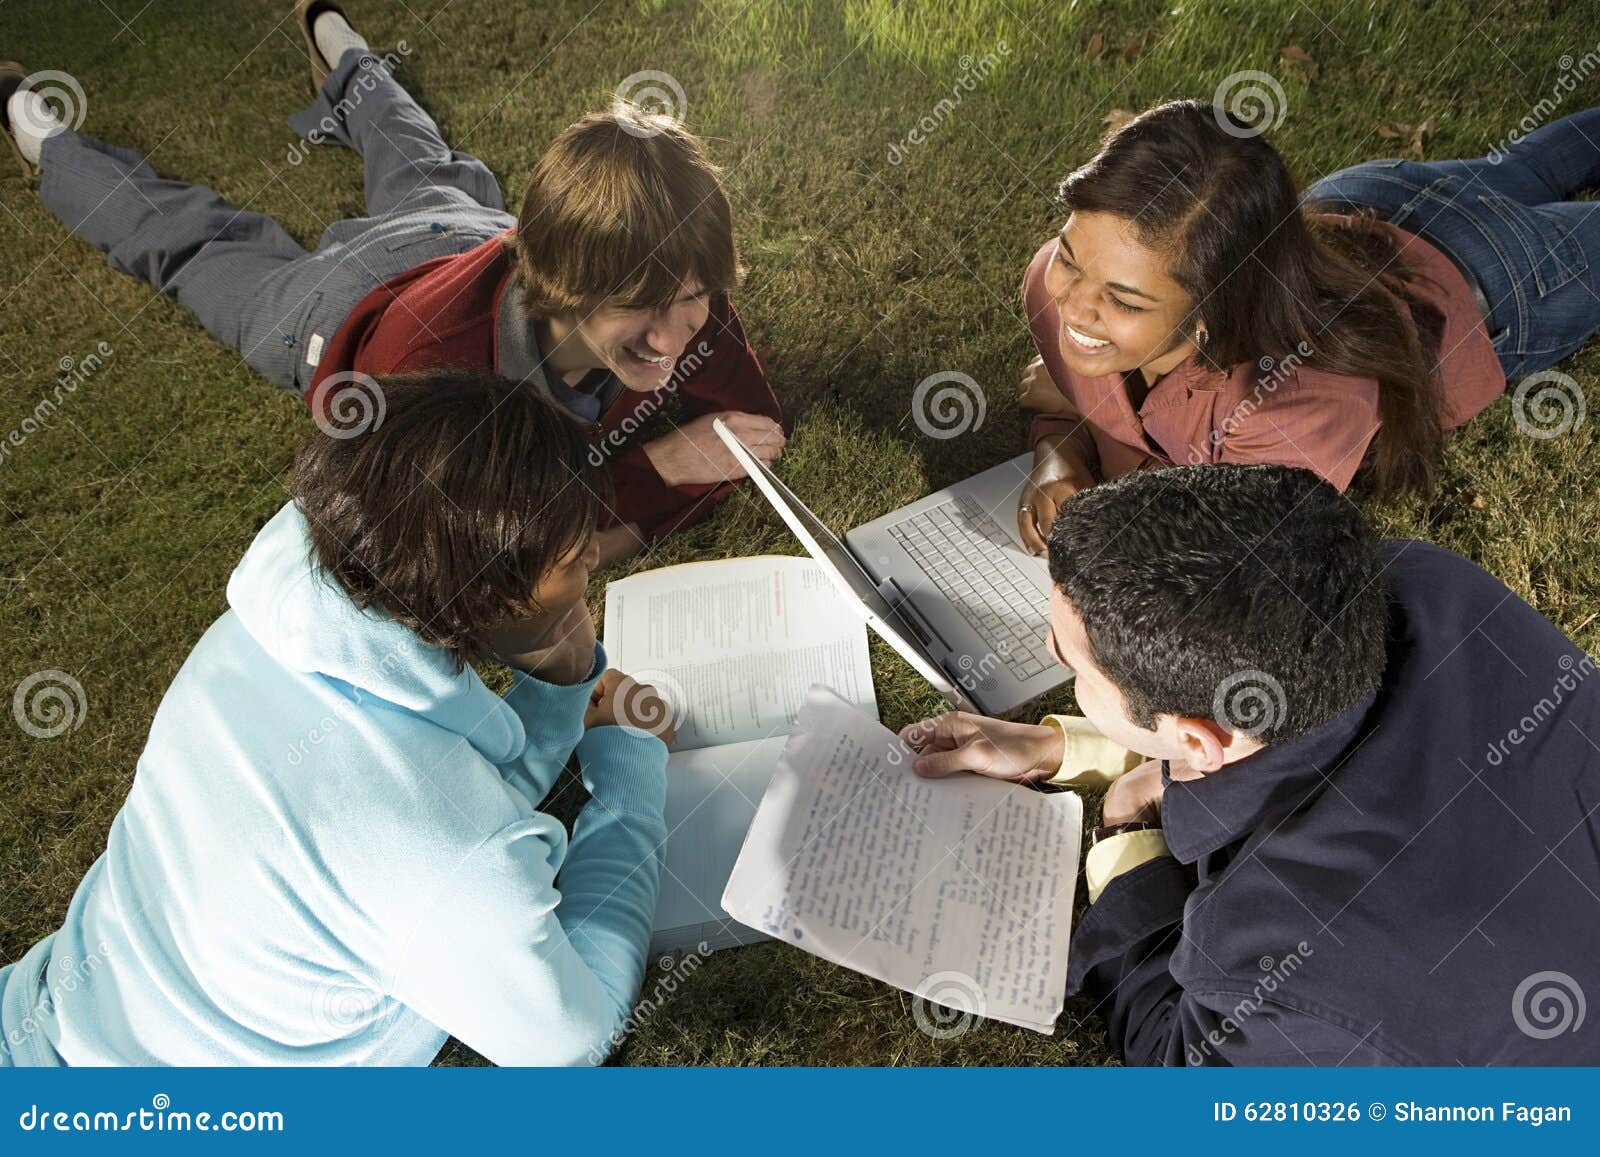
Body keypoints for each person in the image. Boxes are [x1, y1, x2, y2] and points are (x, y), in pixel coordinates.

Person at [0, 370, 677, 1066]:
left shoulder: (264, 629)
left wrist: (560, 691)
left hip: (40, 1013)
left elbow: (428, 785)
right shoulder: (450, 861)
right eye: (571, 555)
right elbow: (573, 1036)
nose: (594, 552)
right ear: (482, 594)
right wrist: (629, 771)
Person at [0, 0, 784, 565]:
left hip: (465, 235)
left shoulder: (667, 275)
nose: (676, 338)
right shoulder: (422, 374)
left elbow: (755, 422)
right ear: (568, 285)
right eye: (640, 310)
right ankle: (40, 131)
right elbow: (491, 559)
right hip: (339, 306)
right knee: (192, 245)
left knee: (414, 146)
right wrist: (658, 469)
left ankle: (337, 40)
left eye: (693, 299)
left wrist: (656, 463)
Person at [903, 463, 1600, 1065]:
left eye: (1072, 662)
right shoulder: (1429, 582)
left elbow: (1177, 1062)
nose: (1055, 659)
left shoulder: (1274, 952)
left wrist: (1123, 837)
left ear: (1201, 741)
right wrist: (1072, 745)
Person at [1015, 100, 1600, 554]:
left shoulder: (1293, 400)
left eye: (1123, 300)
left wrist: (1090, 436)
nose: (1073, 307)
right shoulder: (1052, 282)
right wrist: (1058, 451)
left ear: (1211, 315)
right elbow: (1083, 399)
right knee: (1530, 163)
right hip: (1368, 198)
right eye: (1070, 257)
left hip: (1500, 273)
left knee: (1539, 169)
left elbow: (1222, 540)